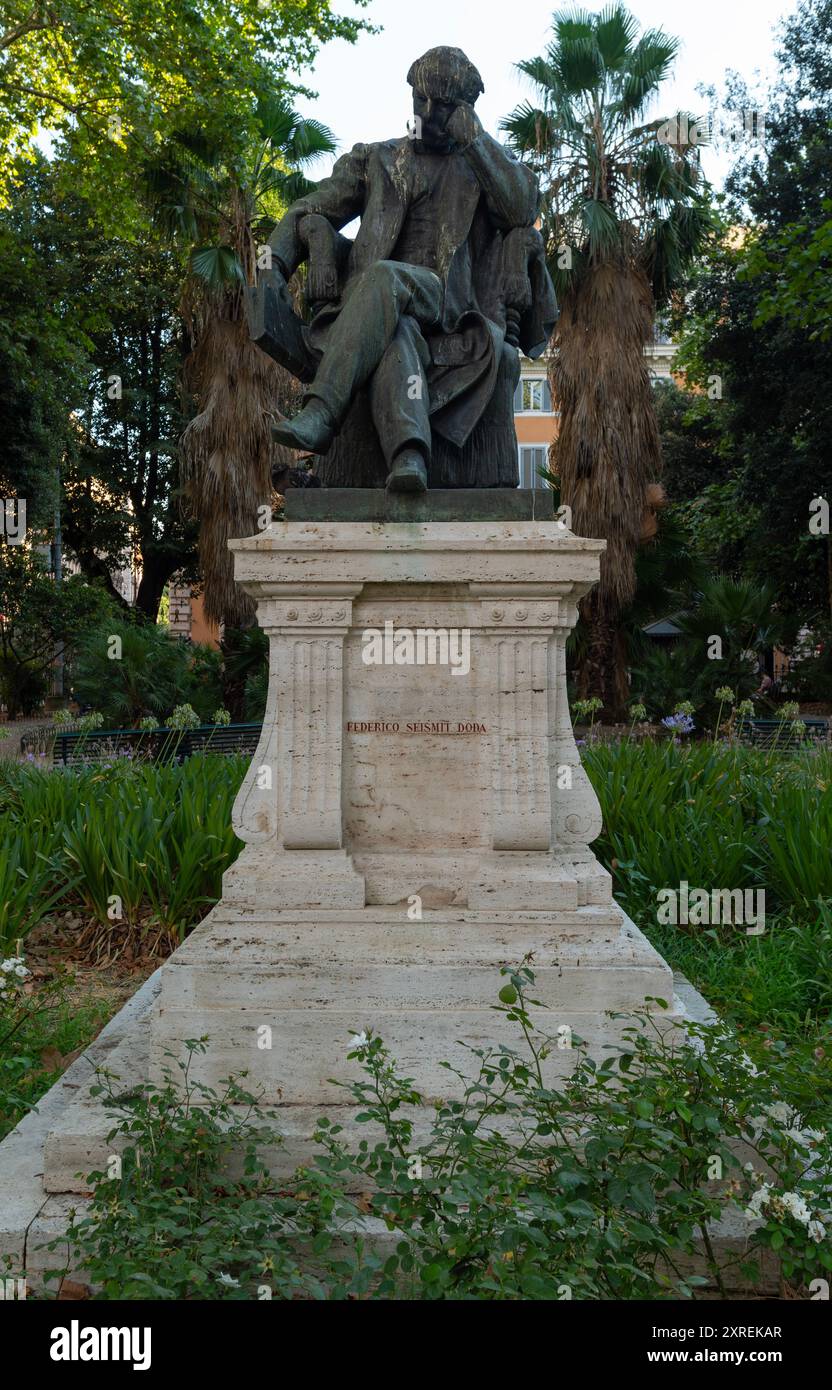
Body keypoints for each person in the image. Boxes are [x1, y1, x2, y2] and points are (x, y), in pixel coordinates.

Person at [263, 46, 555, 493]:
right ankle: (410, 457)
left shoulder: (484, 167)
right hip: (379, 313)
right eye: (421, 99)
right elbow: (307, 209)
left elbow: (520, 210)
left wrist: (474, 138)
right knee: (394, 331)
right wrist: (274, 267)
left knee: (384, 277)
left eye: (444, 105)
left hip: (449, 306)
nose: (429, 113)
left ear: (466, 111)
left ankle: (322, 412)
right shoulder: (376, 159)